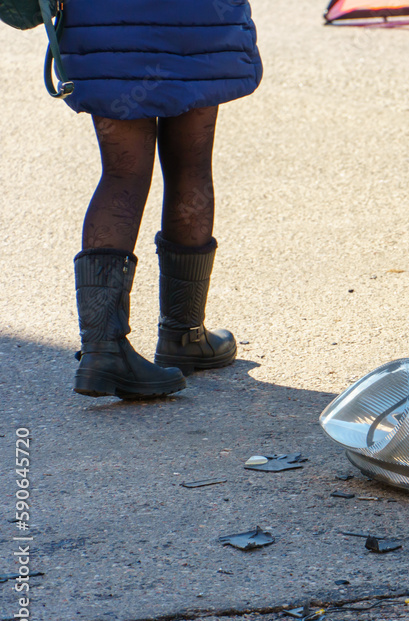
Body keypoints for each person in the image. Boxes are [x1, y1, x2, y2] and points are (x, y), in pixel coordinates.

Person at [58, 0, 263, 399]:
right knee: (190, 165)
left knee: (121, 173)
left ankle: (102, 350)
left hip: (105, 23)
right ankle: (183, 335)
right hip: (195, 20)